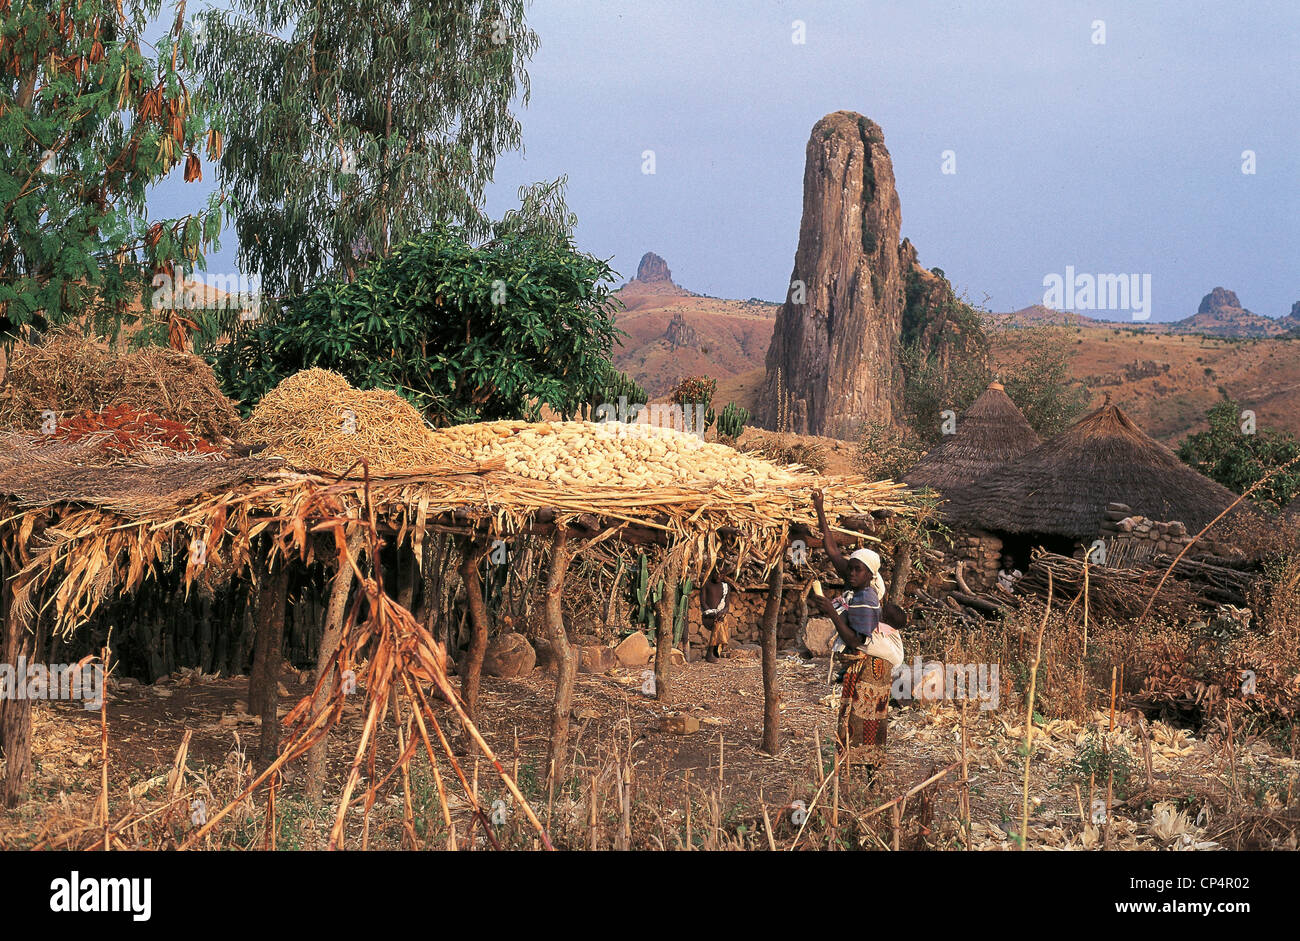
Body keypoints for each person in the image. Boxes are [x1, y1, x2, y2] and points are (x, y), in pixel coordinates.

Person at [810, 489, 892, 782]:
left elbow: (858, 640)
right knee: (853, 717)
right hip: (860, 666)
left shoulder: (867, 598)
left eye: (857, 570)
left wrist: (831, 612)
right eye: (851, 569)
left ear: (870, 574)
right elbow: (832, 550)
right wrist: (820, 508)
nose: (851, 574)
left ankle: (869, 774)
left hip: (871, 667)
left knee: (866, 718)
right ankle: (854, 771)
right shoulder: (856, 582)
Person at [700, 567, 739, 662]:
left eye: (722, 574)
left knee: (720, 621)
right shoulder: (706, 584)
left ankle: (714, 652)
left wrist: (722, 612)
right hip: (708, 616)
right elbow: (703, 602)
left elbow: (726, 606)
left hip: (720, 615)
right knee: (718, 622)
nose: (719, 576)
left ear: (724, 576)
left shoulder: (726, 587)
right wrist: (712, 613)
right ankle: (710, 653)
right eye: (717, 573)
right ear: (712, 572)